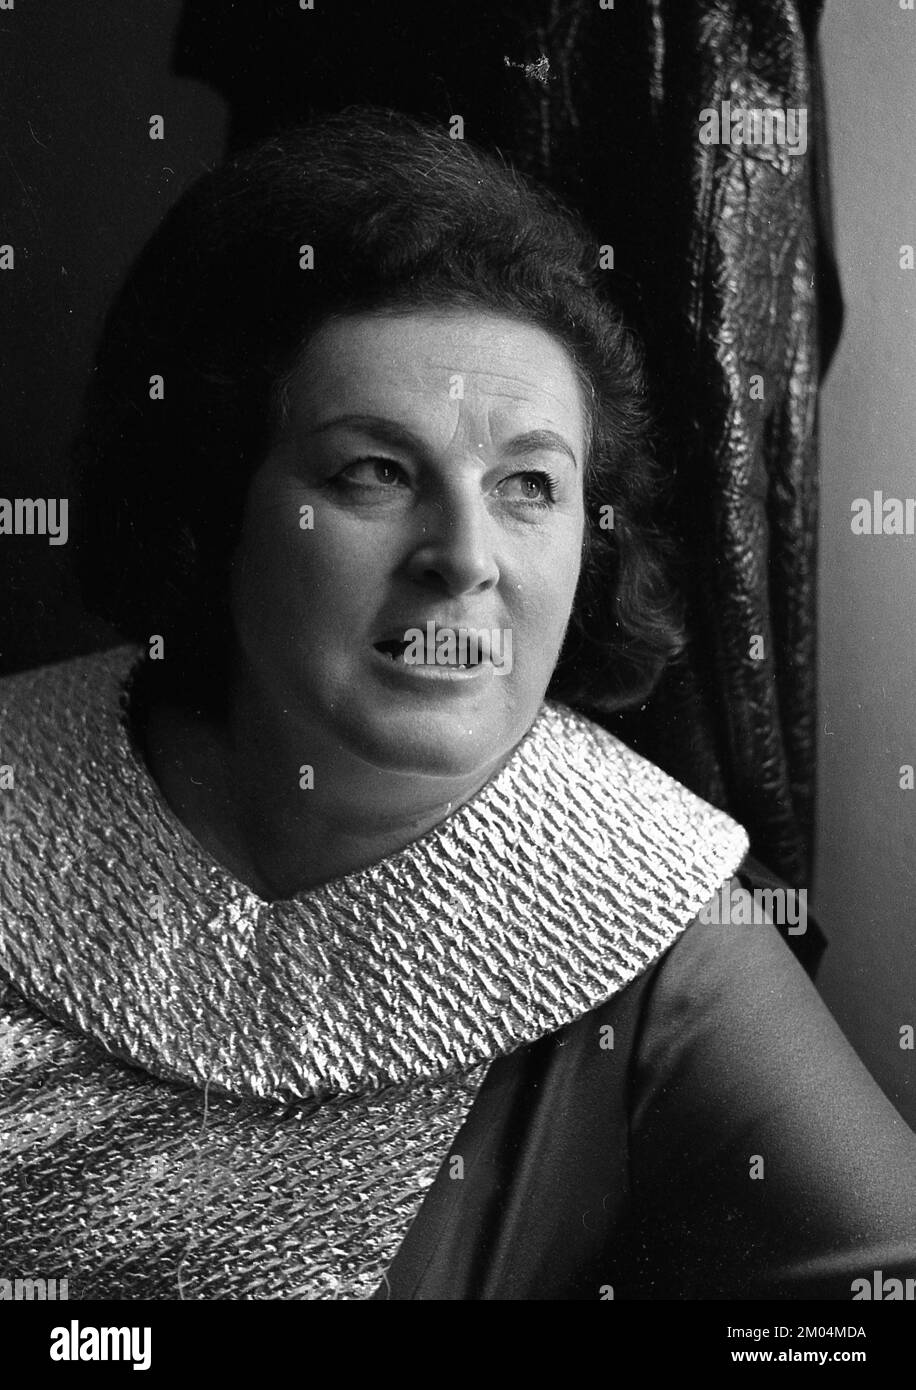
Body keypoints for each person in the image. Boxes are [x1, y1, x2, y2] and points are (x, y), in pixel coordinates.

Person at [0, 108, 913, 1302]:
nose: (465, 556)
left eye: (528, 485)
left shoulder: (654, 906)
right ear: (212, 503)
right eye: (373, 471)